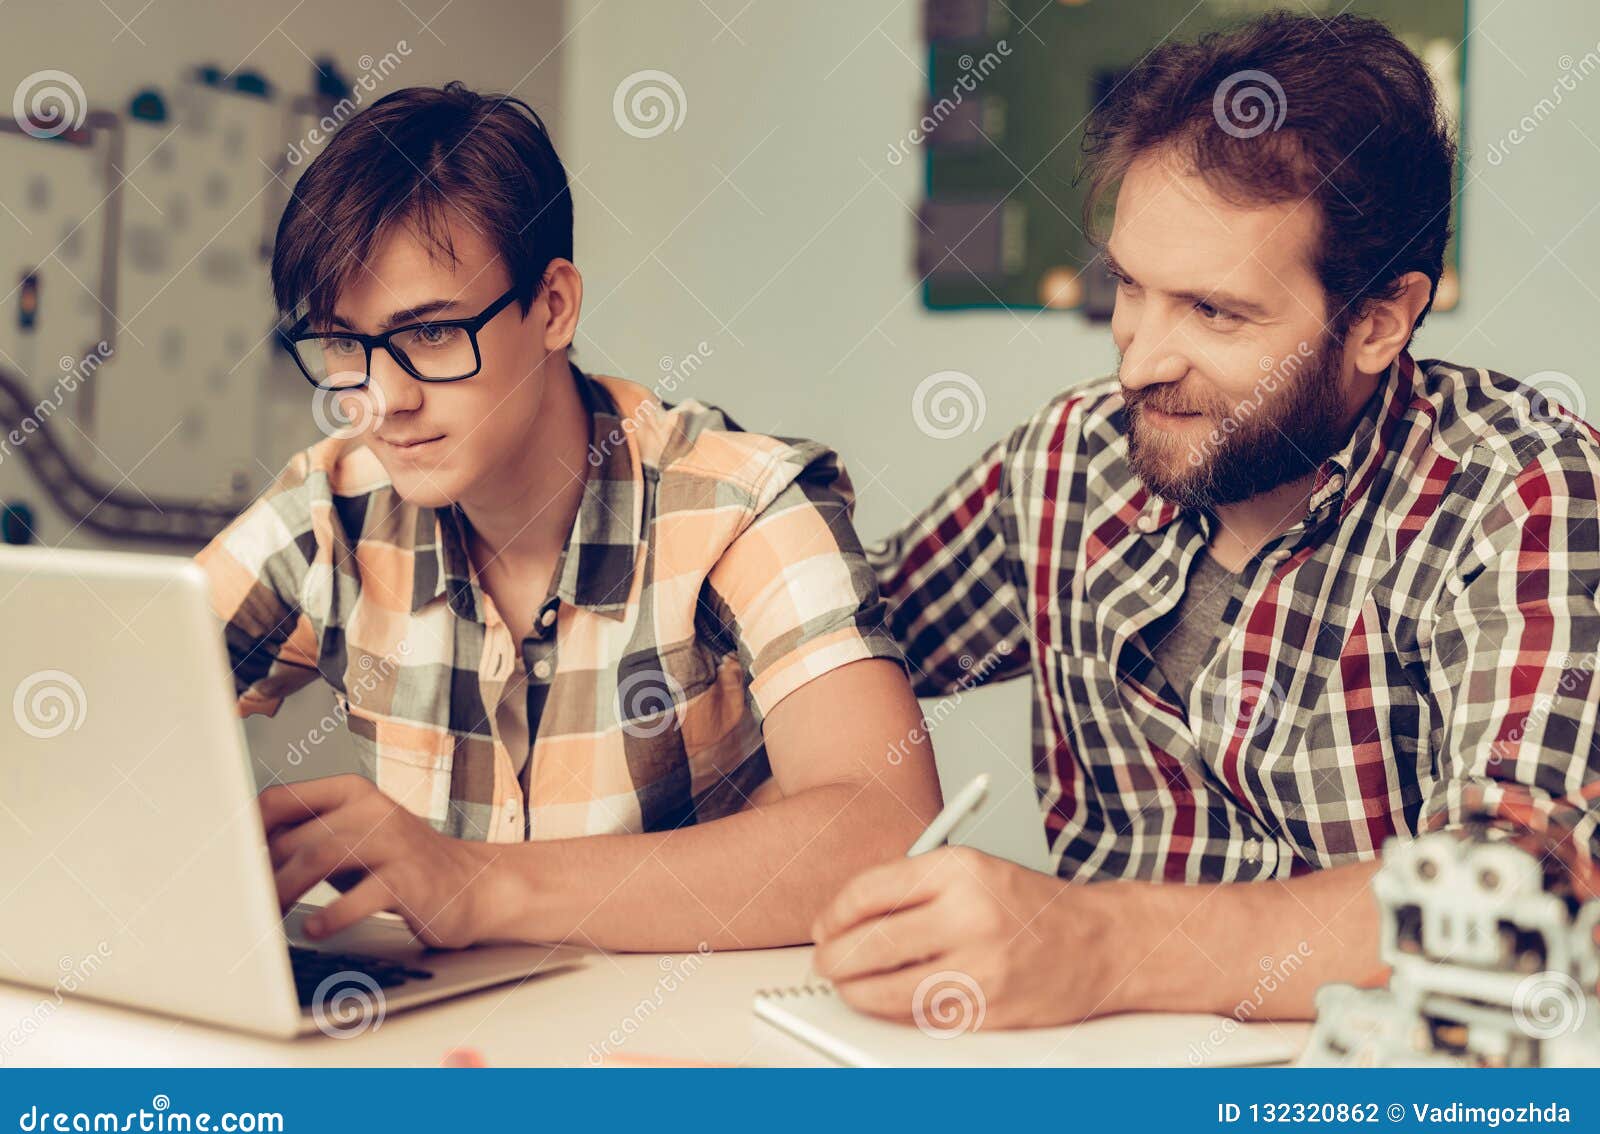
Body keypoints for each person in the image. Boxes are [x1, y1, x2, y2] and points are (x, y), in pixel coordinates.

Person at [813, 12, 1600, 1028]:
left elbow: (1521, 896)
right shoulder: (1069, 458)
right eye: (1128, 288)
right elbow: (827, 663)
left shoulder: (1519, 489)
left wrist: (1094, 944)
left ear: (1378, 321)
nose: (1137, 362)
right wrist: (714, 493)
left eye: (1213, 312)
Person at [197, 83, 940, 952]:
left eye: (431, 335)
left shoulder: (743, 505)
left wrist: (477, 886)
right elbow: (100, 706)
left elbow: (888, 831)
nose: (382, 400)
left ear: (553, 306)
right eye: (342, 345)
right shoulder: (332, 507)